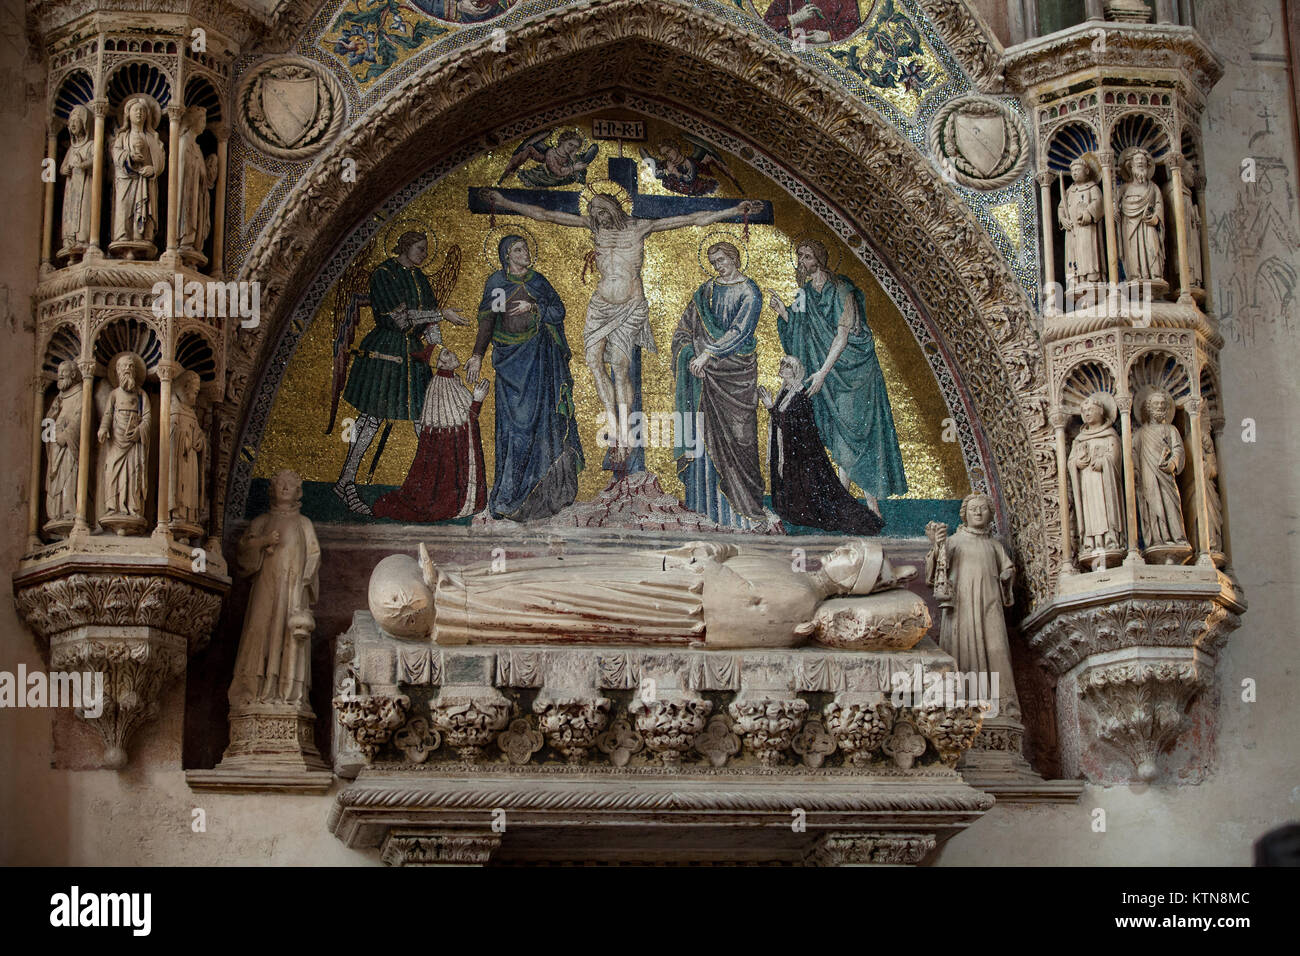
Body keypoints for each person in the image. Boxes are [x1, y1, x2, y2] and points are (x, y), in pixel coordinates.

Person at [480, 186, 763, 464]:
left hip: (630, 305)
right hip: (601, 305)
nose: (599, 219)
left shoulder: (640, 227)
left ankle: (626, 433)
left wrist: (734, 210)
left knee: (619, 365)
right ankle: (614, 427)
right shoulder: (595, 229)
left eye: (601, 212)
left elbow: (691, 218)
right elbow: (545, 215)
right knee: (593, 361)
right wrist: (505, 201)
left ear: (613, 208)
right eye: (594, 214)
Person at [334, 230, 468, 513]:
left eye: (425, 249)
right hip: (387, 350)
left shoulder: (420, 279)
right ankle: (346, 481)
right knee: (372, 417)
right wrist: (441, 314)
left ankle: (438, 488)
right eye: (420, 248)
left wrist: (440, 352)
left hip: (415, 354)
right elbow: (398, 319)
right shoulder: (384, 274)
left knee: (424, 419)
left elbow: (430, 324)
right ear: (405, 247)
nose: (424, 254)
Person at [769, 239, 907, 512]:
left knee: (857, 434)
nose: (802, 261)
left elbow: (842, 336)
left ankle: (870, 503)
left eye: (807, 255)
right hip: (828, 375)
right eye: (800, 256)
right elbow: (801, 330)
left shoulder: (843, 290)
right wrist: (783, 312)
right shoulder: (805, 292)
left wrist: (821, 373)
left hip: (855, 373)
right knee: (839, 434)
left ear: (819, 258)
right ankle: (846, 500)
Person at [468, 234, 585, 521]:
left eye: (526, 248)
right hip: (512, 363)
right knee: (515, 430)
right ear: (507, 254)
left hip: (542, 359)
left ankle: (550, 495)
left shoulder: (538, 281)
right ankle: (509, 497)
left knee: (546, 423)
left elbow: (559, 310)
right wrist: (477, 354)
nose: (526, 253)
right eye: (519, 249)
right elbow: (489, 321)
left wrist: (534, 307)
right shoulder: (498, 284)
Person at [672, 241, 768, 529]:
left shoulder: (750, 292)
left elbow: (740, 331)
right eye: (713, 262)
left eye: (722, 260)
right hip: (704, 377)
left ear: (734, 258)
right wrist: (689, 351)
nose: (717, 266)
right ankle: (706, 510)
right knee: (703, 434)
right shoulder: (706, 292)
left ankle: (749, 511)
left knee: (742, 439)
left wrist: (707, 354)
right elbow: (684, 328)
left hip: (736, 375)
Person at [229, 469, 320, 708]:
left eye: (291, 485)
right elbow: (244, 552)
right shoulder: (262, 522)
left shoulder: (303, 523)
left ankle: (288, 694)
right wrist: (264, 542)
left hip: (293, 589)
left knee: (290, 635)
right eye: (281, 484)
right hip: (266, 588)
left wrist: (306, 579)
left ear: (298, 491)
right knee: (259, 630)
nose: (286, 488)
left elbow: (314, 554)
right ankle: (253, 692)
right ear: (273, 489)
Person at [763, 354, 883, 534]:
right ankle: (788, 510)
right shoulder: (785, 391)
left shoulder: (800, 395)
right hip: (789, 451)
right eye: (782, 363)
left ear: (795, 371)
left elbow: (792, 424)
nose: (782, 366)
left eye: (787, 365)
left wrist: (770, 407)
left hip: (800, 455)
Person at [925, 494, 1019, 719]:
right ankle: (963, 705)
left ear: (990, 515)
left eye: (983, 509)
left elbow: (1009, 568)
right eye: (973, 509)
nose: (978, 513)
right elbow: (936, 569)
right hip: (962, 609)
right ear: (964, 514)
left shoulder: (994, 545)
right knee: (963, 650)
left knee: (996, 650)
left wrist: (1008, 575)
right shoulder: (955, 542)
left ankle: (1004, 706)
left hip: (989, 606)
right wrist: (937, 546)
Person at [372, 348, 490, 522]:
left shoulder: (453, 381)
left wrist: (476, 400)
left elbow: (462, 421)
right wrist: (477, 400)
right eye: (445, 355)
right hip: (451, 472)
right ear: (440, 363)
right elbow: (460, 429)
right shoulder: (440, 386)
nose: (452, 353)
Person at [97, 352, 151, 534]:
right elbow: (107, 415)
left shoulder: (141, 395)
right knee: (112, 470)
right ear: (117, 371)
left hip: (134, 441)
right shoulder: (114, 394)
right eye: (123, 367)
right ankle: (113, 507)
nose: (127, 370)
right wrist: (103, 429)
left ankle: (133, 508)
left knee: (133, 472)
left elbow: (148, 418)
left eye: (130, 367)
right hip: (116, 439)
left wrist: (139, 431)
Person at [1068, 394, 1124, 555]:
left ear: (1101, 411)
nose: (1087, 413)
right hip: (1087, 482)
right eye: (1084, 411)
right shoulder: (1079, 439)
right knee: (1090, 512)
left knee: (1105, 508)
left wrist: (1104, 461)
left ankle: (1111, 539)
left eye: (1090, 410)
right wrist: (1076, 464)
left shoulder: (1110, 434)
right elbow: (1071, 461)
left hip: (1104, 481)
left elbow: (1116, 456)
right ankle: (1091, 542)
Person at [1132, 391, 1188, 549]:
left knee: (1171, 502)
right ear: (1149, 408)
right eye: (1156, 404)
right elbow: (1133, 455)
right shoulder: (1140, 434)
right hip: (1148, 475)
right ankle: (1158, 539)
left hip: (1166, 474)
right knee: (1152, 505)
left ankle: (1176, 537)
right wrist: (1135, 474)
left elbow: (1178, 449)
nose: (1160, 407)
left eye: (1163, 404)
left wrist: (1172, 463)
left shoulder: (1171, 430)